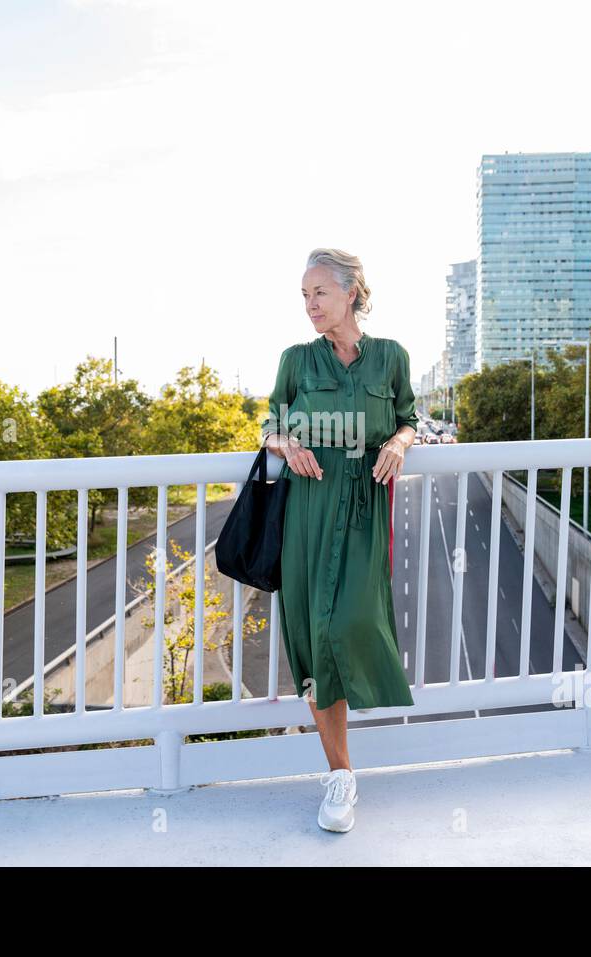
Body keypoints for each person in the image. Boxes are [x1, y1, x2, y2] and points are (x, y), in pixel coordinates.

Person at [260, 247, 418, 832]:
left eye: (319, 293)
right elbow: (271, 421)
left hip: (365, 506)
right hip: (310, 504)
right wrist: (287, 445)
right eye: (304, 296)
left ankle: (344, 763)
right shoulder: (297, 360)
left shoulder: (391, 357)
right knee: (315, 634)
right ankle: (340, 777)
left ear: (351, 292)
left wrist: (400, 442)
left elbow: (408, 415)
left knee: (352, 621)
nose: (310, 305)